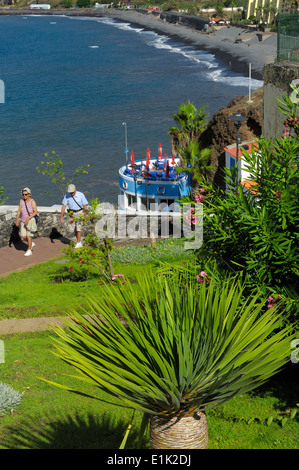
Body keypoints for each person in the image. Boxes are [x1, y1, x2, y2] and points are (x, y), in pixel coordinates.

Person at [60, 184, 88, 248]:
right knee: (73, 230)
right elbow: (64, 206)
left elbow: (85, 206)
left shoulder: (80, 195)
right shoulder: (67, 195)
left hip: (79, 212)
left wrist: (85, 217)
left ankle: (78, 243)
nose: (71, 193)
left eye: (72, 192)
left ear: (75, 189)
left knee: (78, 228)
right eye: (70, 192)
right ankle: (79, 242)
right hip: (71, 213)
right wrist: (61, 216)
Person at [15, 187, 38, 257]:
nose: (24, 196)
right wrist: (17, 220)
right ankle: (31, 243)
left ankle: (29, 250)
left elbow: (35, 212)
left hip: (30, 221)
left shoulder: (32, 202)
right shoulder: (21, 201)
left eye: (26, 194)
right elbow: (19, 210)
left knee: (28, 235)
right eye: (23, 194)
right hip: (23, 220)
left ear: (29, 194)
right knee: (23, 235)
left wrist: (28, 219)